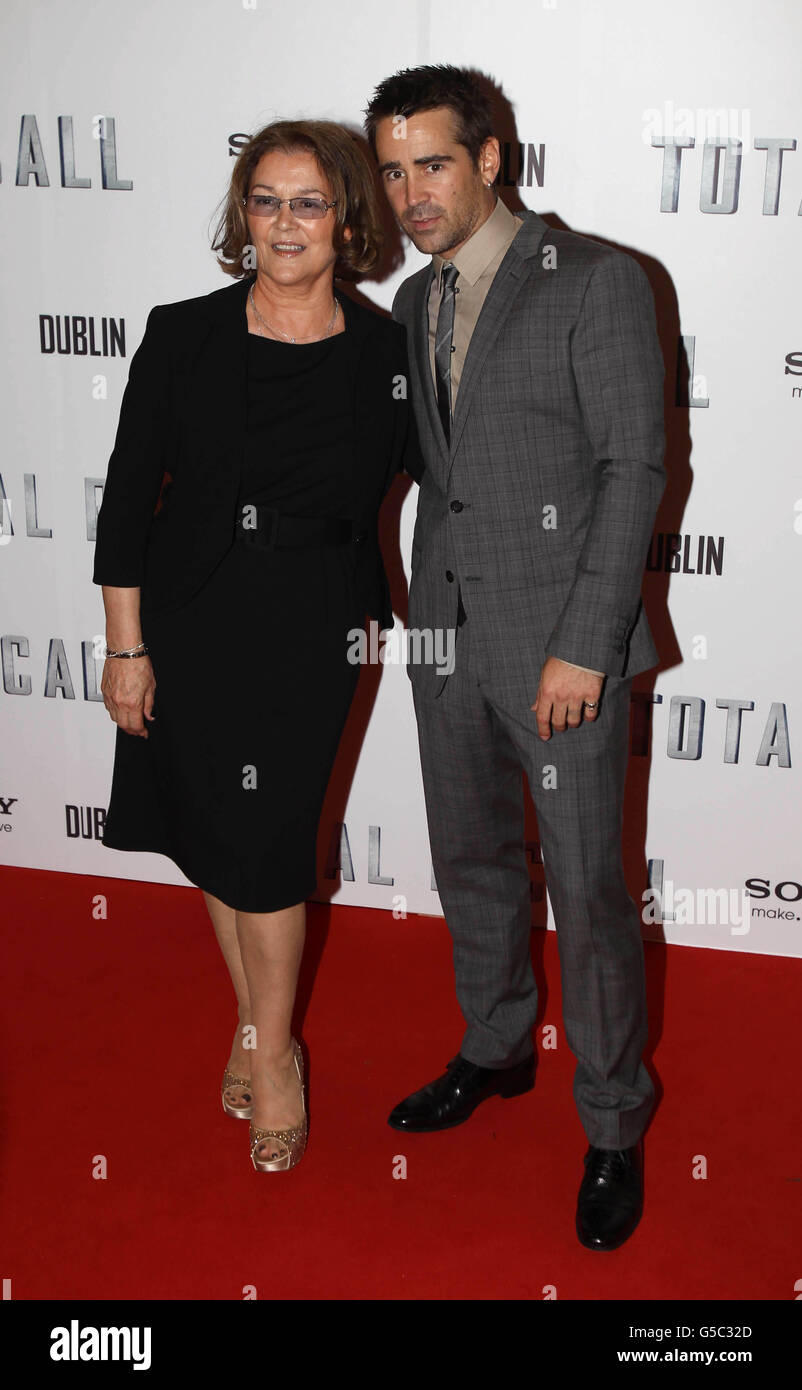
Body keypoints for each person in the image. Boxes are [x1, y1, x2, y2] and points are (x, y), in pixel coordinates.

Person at [365, 65, 666, 1249]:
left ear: (490, 159)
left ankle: (613, 1121)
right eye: (391, 171)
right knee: (472, 857)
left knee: (586, 887)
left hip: (560, 652)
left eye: (430, 164)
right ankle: (494, 1045)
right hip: (444, 632)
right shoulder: (404, 302)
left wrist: (585, 648)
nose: (409, 193)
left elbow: (631, 470)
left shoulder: (594, 281)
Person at [93, 119, 417, 1174]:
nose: (285, 223)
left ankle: (273, 1054)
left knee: (272, 851)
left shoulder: (385, 355)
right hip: (193, 620)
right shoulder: (181, 333)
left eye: (309, 202)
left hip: (313, 628)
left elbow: (457, 478)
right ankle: (256, 1026)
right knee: (219, 842)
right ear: (244, 216)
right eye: (266, 201)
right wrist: (125, 647)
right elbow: (127, 506)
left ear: (347, 222)